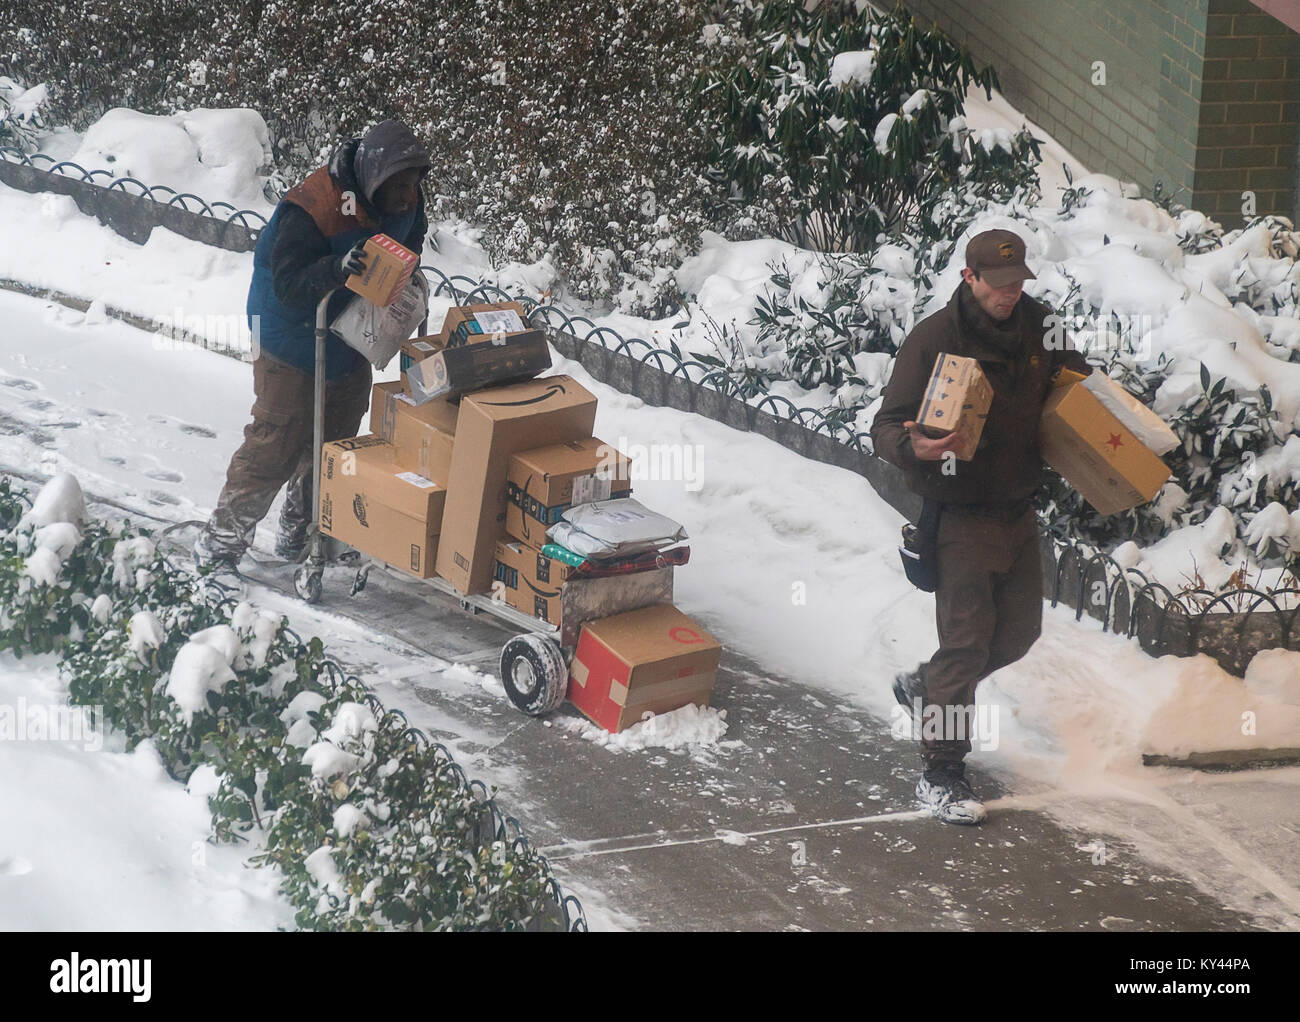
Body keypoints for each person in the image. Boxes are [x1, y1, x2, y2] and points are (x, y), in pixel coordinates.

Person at [870, 228, 1090, 825]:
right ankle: (941, 771)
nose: (1009, 293)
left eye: (1017, 281)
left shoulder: (1041, 326)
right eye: (998, 284)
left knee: (1017, 635)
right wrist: (913, 444)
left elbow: (1078, 388)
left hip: (1018, 509)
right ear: (969, 278)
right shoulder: (935, 339)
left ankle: (928, 688)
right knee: (965, 648)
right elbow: (886, 426)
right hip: (960, 517)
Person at [194, 120, 431, 575]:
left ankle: (304, 533)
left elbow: (412, 235)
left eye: (413, 185)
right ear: (374, 178)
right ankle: (219, 549)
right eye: (398, 187)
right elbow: (286, 282)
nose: (407, 197)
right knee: (276, 441)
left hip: (349, 331)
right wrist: (337, 267)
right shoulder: (310, 207)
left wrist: (398, 275)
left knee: (334, 443)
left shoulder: (409, 199)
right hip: (290, 333)